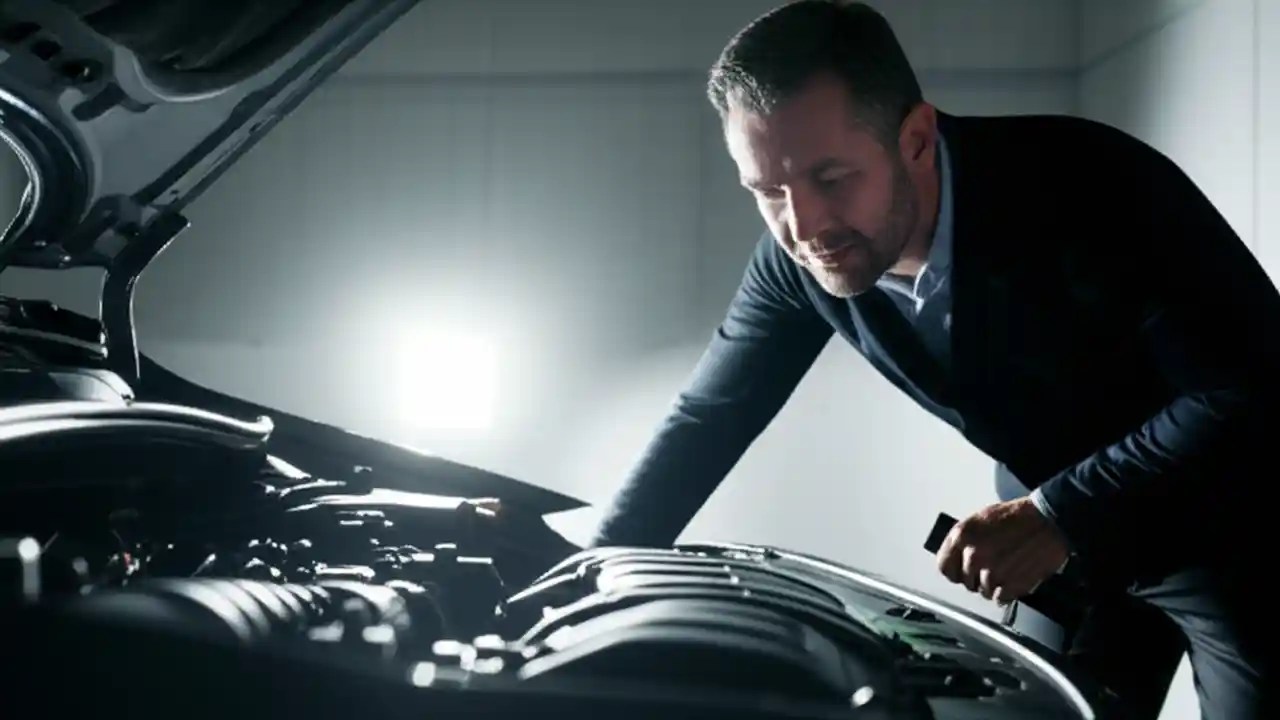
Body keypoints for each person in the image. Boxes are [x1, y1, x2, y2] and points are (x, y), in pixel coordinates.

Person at [586, 1, 1277, 718]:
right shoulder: (796, 259)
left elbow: (1248, 385)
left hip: (1241, 531)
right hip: (1067, 554)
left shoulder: (1095, 184)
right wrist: (589, 569)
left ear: (916, 137)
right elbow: (709, 418)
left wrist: (1057, 515)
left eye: (831, 177)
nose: (803, 226)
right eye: (767, 192)